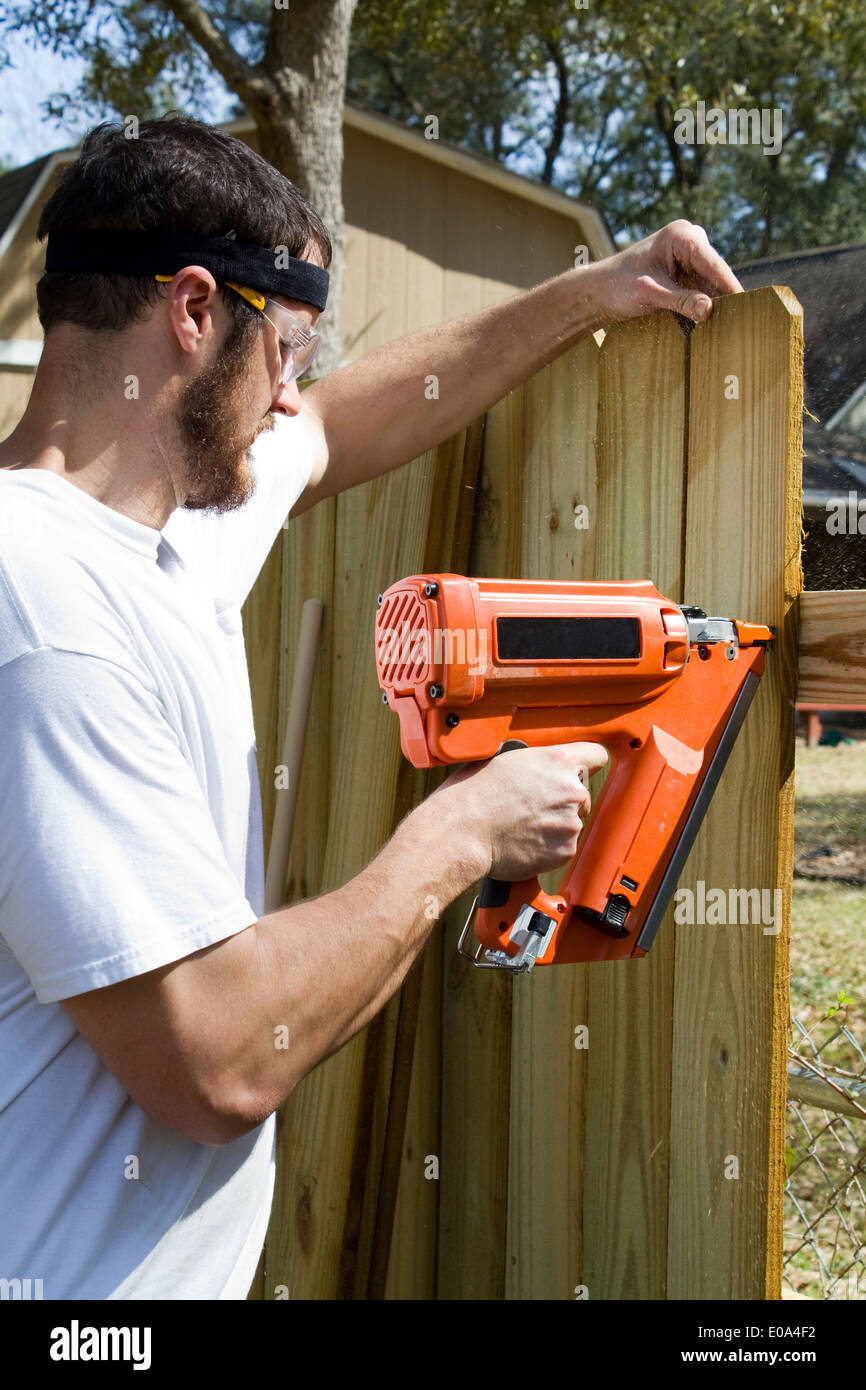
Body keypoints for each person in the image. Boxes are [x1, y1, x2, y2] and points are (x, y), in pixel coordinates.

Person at [0, 115, 743, 1299]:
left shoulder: (162, 530)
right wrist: (463, 832)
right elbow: (218, 1057)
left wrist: (595, 289)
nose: (290, 399)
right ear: (192, 313)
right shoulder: (42, 619)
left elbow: (344, 422)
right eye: (284, 350)